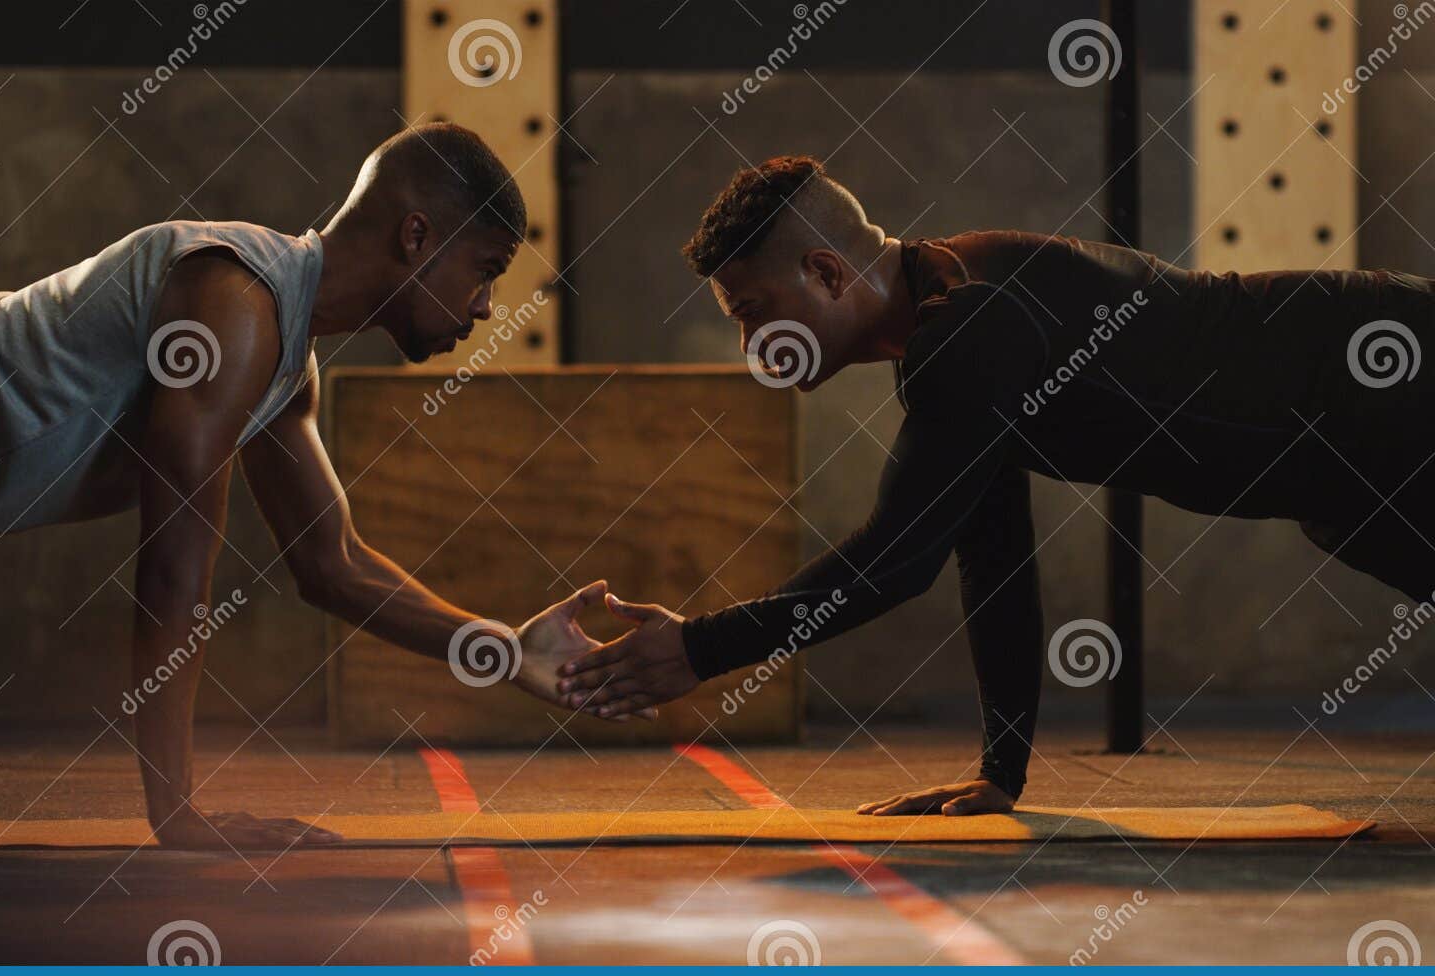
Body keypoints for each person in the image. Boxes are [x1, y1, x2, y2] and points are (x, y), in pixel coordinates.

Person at [556, 154, 1435, 816]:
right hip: (1347, 456)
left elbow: (893, 563)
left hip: (1382, 371)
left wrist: (700, 650)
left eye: (753, 313)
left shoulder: (964, 328)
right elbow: (993, 553)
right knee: (1358, 528)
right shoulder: (955, 323)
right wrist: (1000, 772)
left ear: (825, 273)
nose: (754, 347)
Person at [0, 123, 620, 849]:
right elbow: (173, 573)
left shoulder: (282, 356)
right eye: (485, 272)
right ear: (417, 236)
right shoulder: (234, 304)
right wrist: (177, 812)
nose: (486, 308)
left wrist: (505, 649)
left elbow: (332, 563)